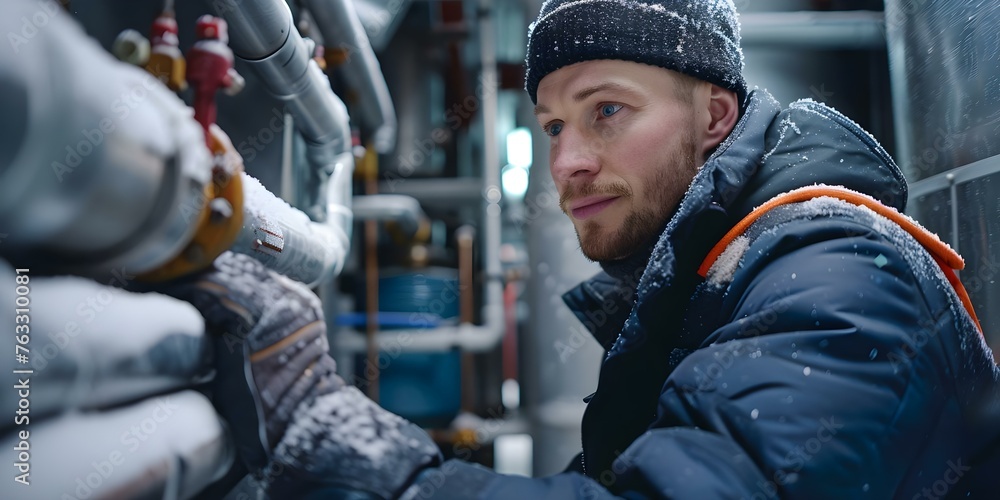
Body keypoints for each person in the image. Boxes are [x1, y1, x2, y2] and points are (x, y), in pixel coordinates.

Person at [166, 0, 1000, 498]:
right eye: (556, 124)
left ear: (715, 117)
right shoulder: (723, 275)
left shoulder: (842, 283)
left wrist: (339, 440)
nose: (566, 163)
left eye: (608, 111)